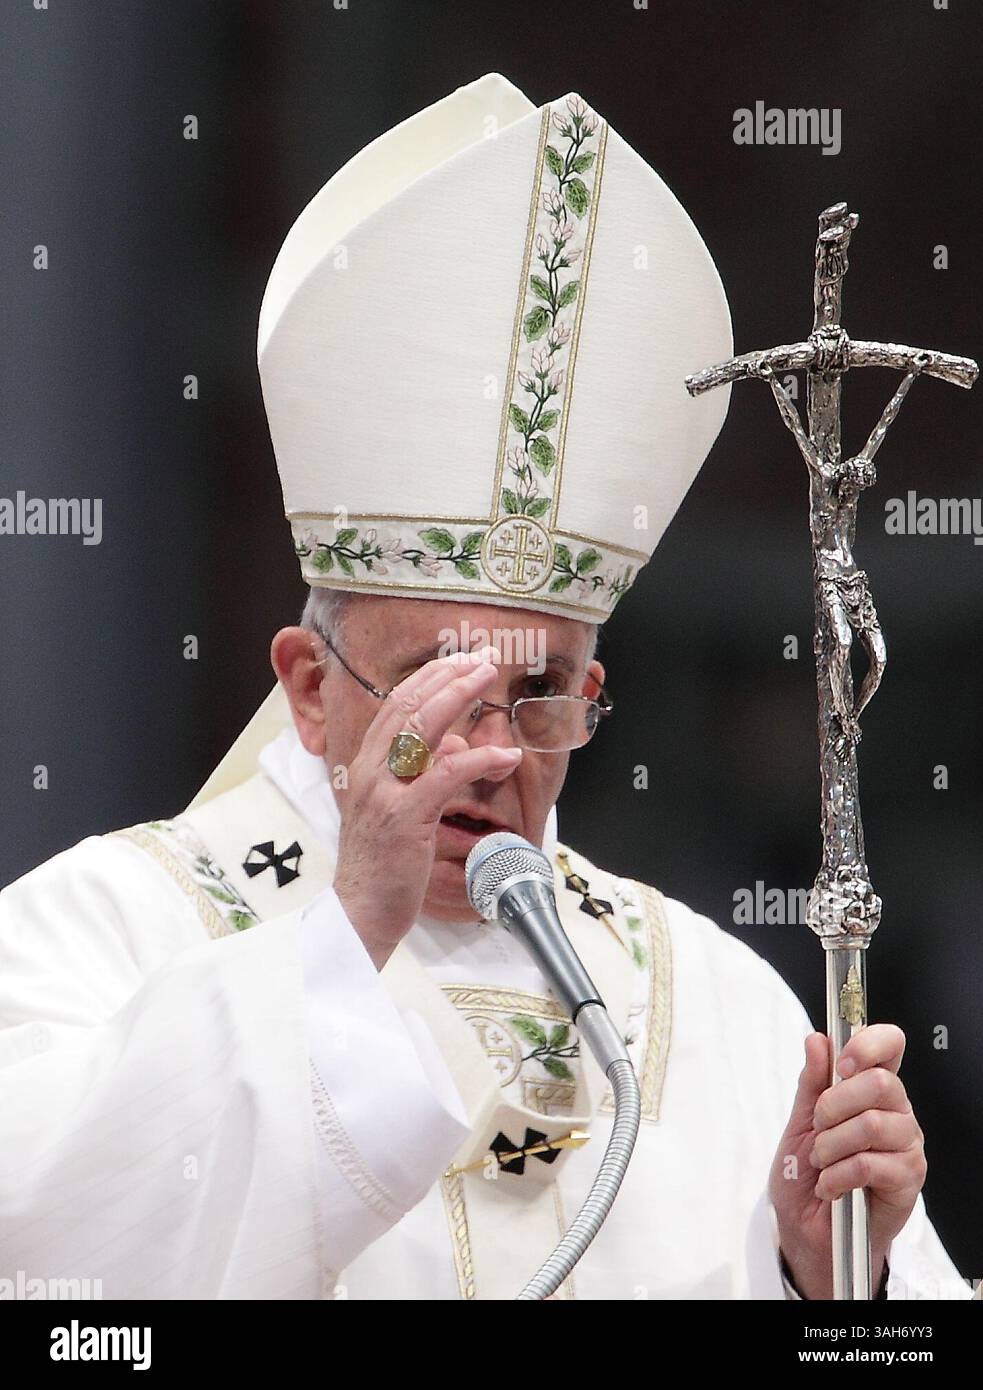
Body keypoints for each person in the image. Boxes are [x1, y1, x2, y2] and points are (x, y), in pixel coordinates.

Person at [0, 73, 970, 1302]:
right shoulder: (91, 939)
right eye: (437, 684)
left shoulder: (714, 1002)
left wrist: (824, 1278)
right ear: (309, 688)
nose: (494, 752)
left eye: (541, 695)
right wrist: (347, 924)